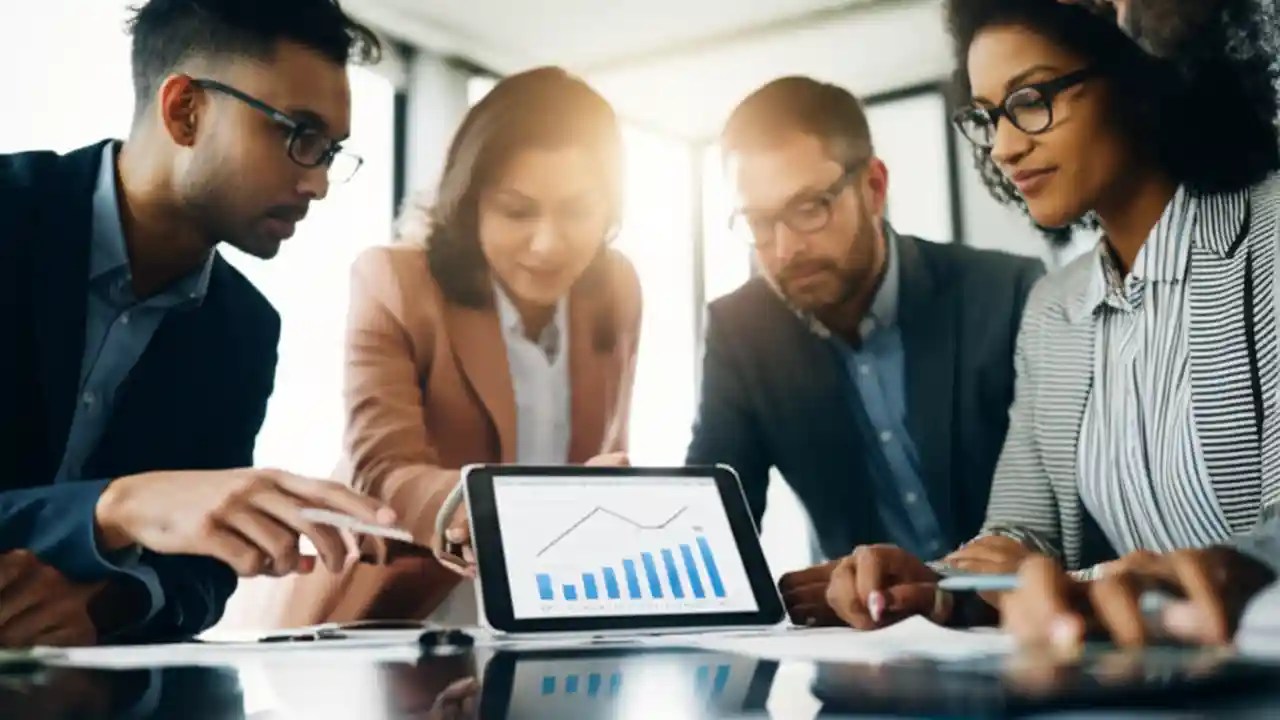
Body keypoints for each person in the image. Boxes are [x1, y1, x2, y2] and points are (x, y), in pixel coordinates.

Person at [823, 0, 1280, 645]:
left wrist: (1111, 581)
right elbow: (1021, 537)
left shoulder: (1269, 238)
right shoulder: (1053, 309)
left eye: (1031, 99)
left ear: (1137, 76)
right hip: (1151, 679)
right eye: (988, 117)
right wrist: (938, 586)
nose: (1005, 147)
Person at [0, 0, 397, 646]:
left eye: (330, 152)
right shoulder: (11, 216)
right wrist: (120, 507)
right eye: (299, 135)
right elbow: (146, 515)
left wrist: (104, 605)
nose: (319, 183)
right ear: (185, 110)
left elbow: (201, 577)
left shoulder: (244, 330)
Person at [273, 67, 641, 626]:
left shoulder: (616, 287)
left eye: (577, 211)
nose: (548, 243)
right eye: (517, 211)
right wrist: (491, 507)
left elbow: (606, 451)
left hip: (545, 604)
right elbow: (382, 470)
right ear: (471, 205)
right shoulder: (394, 280)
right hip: (403, 607)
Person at [684, 76, 1046, 627]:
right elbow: (711, 528)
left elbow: (1062, 520)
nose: (784, 249)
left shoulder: (1005, 294)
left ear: (874, 188)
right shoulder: (742, 330)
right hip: (865, 639)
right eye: (758, 222)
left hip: (1014, 621)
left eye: (810, 208)